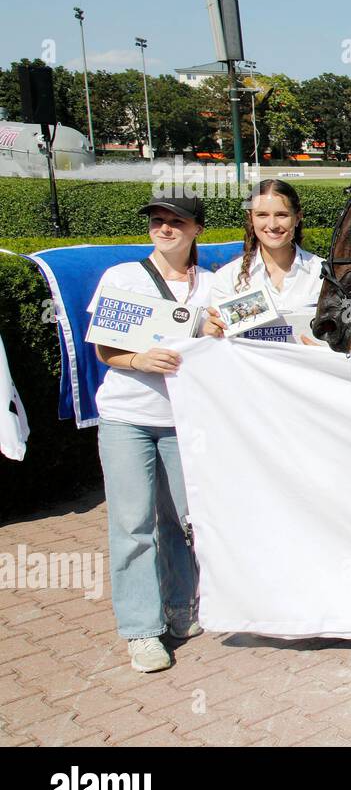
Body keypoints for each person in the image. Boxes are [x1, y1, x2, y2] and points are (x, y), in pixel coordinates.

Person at [88, 195, 215, 673]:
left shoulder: (210, 285)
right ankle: (142, 629)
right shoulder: (122, 277)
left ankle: (182, 608)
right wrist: (136, 359)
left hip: (185, 420)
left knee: (186, 520)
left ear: (196, 229)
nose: (164, 228)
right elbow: (105, 347)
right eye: (158, 221)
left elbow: (226, 337)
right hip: (127, 417)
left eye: (175, 221)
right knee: (134, 525)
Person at [203, 179, 323, 340]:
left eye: (282, 215)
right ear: (250, 218)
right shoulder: (227, 278)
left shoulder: (324, 273)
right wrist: (212, 330)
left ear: (297, 217)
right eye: (262, 215)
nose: (272, 224)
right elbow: (220, 343)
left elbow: (349, 334)